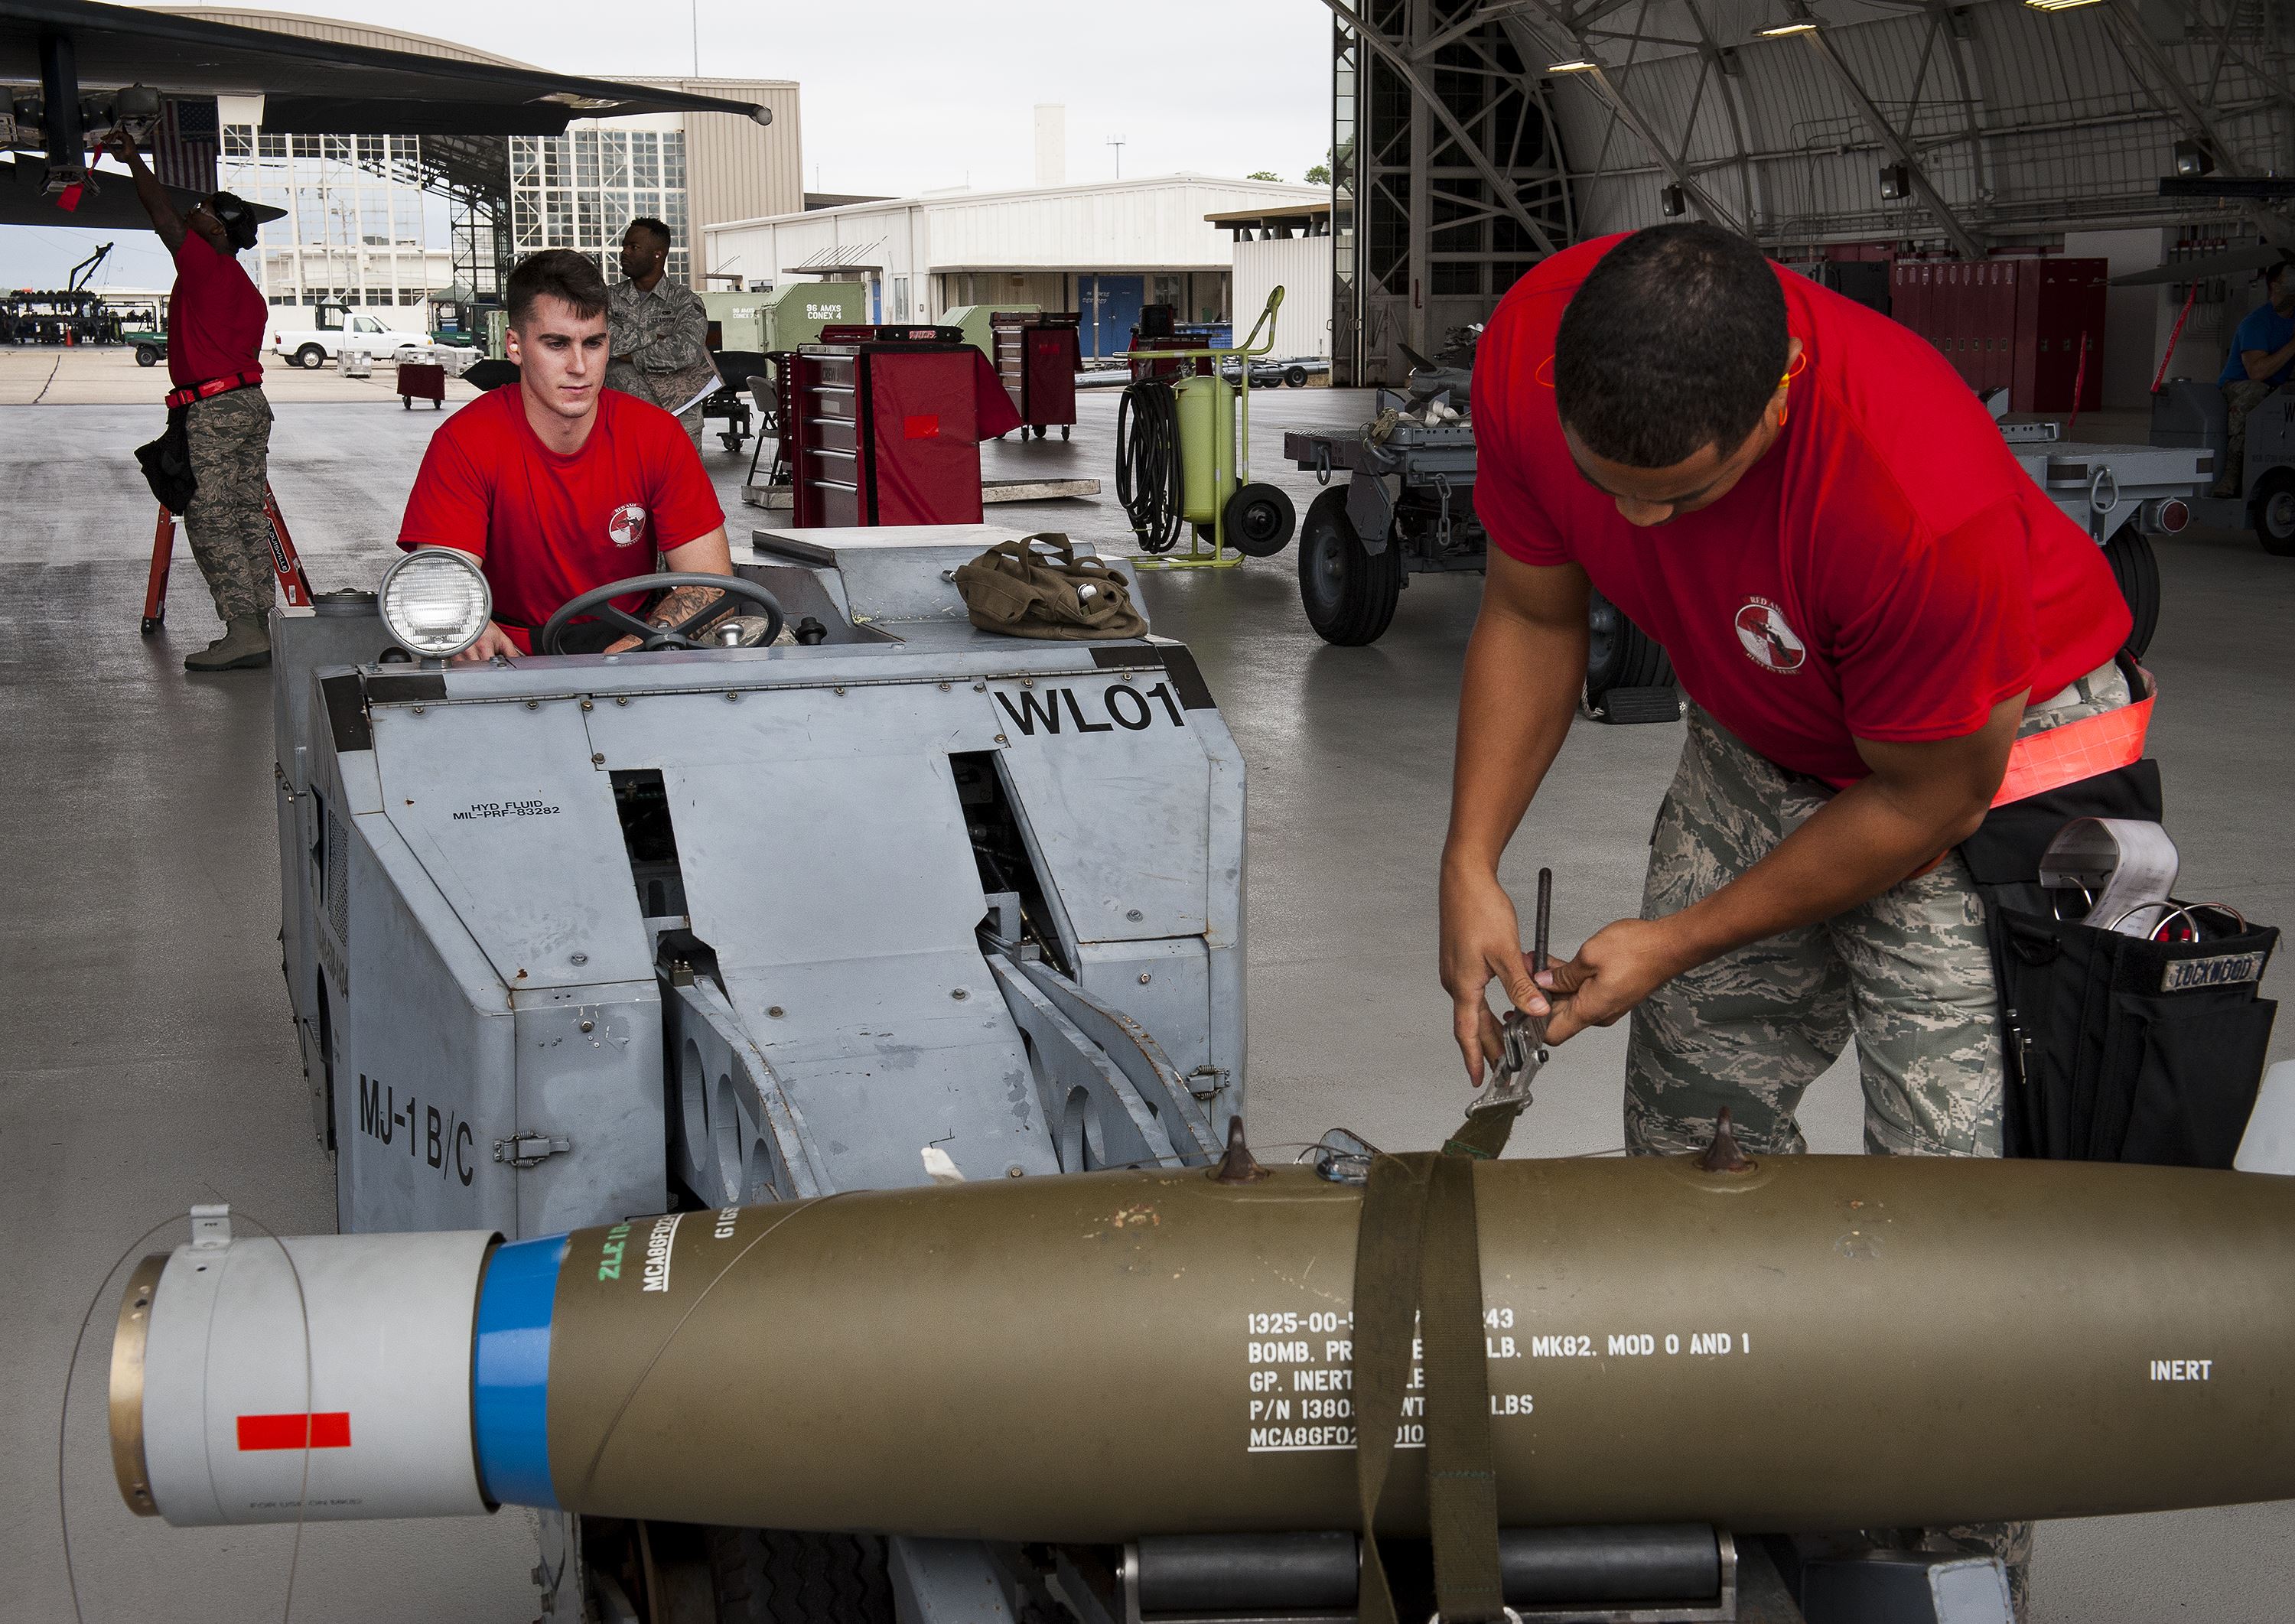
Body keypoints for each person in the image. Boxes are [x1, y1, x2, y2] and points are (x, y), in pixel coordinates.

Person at [1444, 224, 2140, 1620]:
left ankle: (1943, 1569)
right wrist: (1469, 859)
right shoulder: (1531, 347)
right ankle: (1725, 1502)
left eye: (1680, 496)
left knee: (1954, 1220)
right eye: (1610, 489)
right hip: (1761, 744)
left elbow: (1925, 802)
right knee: (1690, 1131)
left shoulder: (1909, 496)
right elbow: (1533, 607)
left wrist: (1681, 933)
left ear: (1775, 403)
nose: (1641, 529)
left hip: (1986, 774)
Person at [397, 249, 732, 660]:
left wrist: (626, 654)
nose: (580, 366)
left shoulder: (657, 435)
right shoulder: (465, 441)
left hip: (632, 643)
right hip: (508, 653)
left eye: (594, 343)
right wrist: (469, 628)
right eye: (557, 344)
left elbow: (714, 587)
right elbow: (440, 585)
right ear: (515, 346)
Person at [109, 129, 275, 671]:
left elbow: (162, 218)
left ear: (217, 230)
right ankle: (263, 627)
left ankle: (243, 630)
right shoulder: (244, 289)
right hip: (247, 404)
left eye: (202, 210)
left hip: (214, 410)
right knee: (246, 513)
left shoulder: (206, 265)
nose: (192, 213)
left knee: (209, 516)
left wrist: (133, 159)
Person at [606, 217, 719, 450]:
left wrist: (633, 355)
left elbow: (686, 351)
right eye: (624, 246)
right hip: (620, 420)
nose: (624, 252)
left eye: (633, 247)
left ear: (658, 254)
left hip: (676, 418)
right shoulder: (607, 299)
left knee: (679, 486)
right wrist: (654, 338)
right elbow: (602, 340)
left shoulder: (685, 301)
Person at [2214, 258, 2295, 499]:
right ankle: (2230, 477)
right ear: (2275, 286)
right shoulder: (2257, 322)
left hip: (2274, 388)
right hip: (2239, 387)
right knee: (2256, 394)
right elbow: (2257, 372)